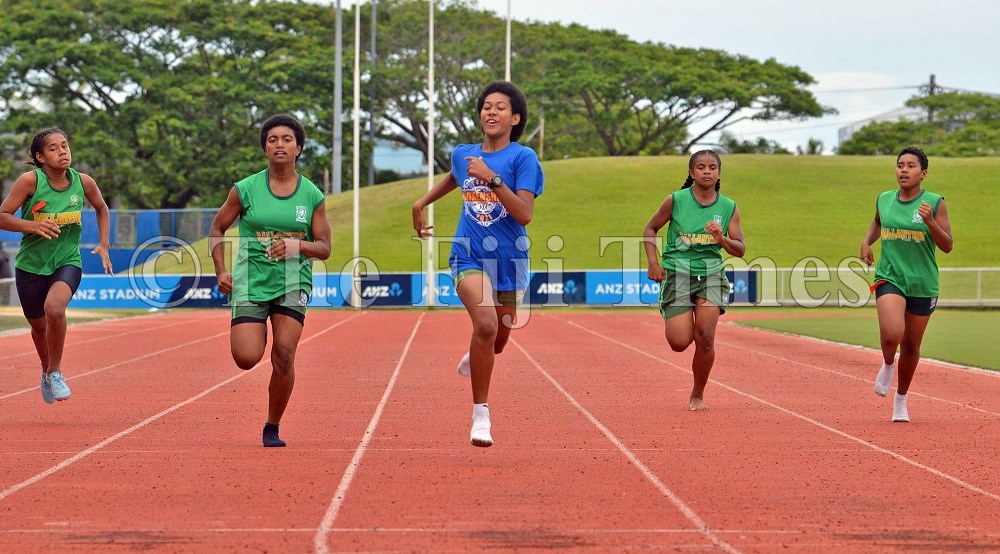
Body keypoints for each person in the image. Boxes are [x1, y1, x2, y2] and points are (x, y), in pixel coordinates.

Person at [411, 81, 543, 447]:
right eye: (487, 105)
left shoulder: (523, 158)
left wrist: (493, 178)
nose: (491, 112)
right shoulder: (463, 153)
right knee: (485, 323)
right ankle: (480, 415)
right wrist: (421, 203)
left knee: (497, 340)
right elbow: (455, 177)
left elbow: (525, 213)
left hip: (510, 261)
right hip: (468, 254)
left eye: (501, 107)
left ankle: (475, 353)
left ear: (515, 118)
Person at [210, 114, 331, 447]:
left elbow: (325, 248)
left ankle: (272, 425)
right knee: (247, 357)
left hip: (293, 279)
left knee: (284, 355)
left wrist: (298, 245)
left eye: (287, 139)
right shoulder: (245, 189)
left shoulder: (311, 195)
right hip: (251, 278)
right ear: (265, 148)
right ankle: (256, 322)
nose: (280, 144)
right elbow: (217, 227)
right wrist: (220, 269)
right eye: (273, 139)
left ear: (299, 148)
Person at [0, 127, 113, 403]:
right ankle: (46, 371)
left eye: (65, 146)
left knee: (54, 309)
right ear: (40, 156)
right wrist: (33, 225)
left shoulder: (83, 182)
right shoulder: (30, 181)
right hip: (30, 265)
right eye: (54, 148)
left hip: (67, 260)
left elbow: (102, 208)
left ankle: (56, 371)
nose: (63, 151)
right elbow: (3, 216)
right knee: (39, 328)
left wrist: (104, 243)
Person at [642, 150, 745, 411]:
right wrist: (653, 263)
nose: (707, 171)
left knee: (706, 337)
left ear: (719, 173)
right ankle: (676, 317)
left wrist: (721, 238)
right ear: (691, 173)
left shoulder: (729, 207)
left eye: (712, 167)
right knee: (679, 342)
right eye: (700, 167)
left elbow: (740, 249)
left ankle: (697, 395)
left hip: (711, 274)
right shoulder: (675, 200)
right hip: (677, 273)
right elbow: (650, 228)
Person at [860, 146, 953, 423]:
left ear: (923, 173)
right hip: (890, 275)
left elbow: (947, 245)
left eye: (911, 166)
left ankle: (901, 400)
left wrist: (930, 222)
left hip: (922, 282)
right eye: (900, 164)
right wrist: (866, 242)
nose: (904, 169)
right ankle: (889, 363)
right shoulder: (885, 199)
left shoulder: (935, 203)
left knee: (911, 345)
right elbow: (877, 222)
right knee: (891, 334)